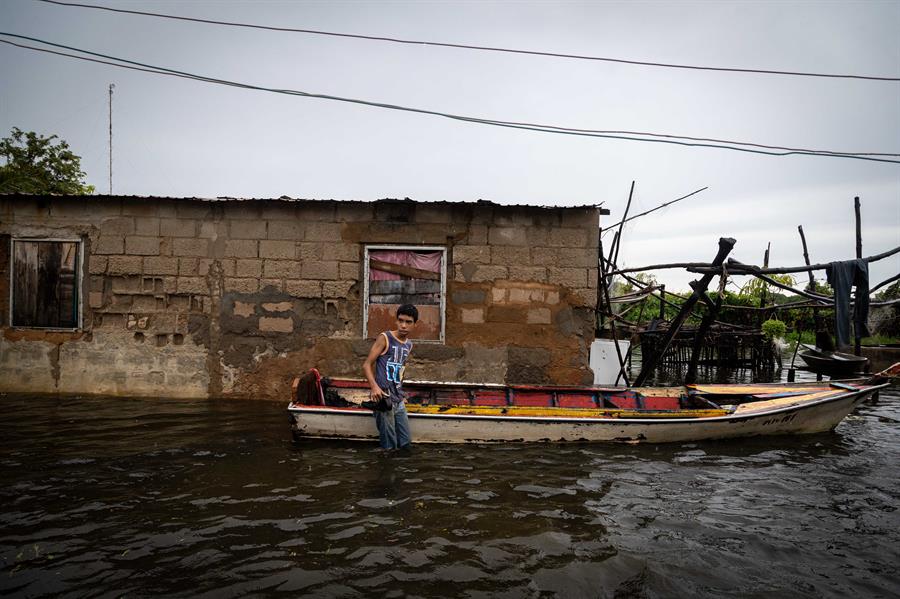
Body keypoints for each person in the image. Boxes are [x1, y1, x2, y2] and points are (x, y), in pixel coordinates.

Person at [362, 304, 417, 450]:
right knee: (390, 445)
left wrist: (401, 392)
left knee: (405, 442)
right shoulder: (385, 338)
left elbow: (400, 369)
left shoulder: (408, 345)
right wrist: (374, 387)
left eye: (408, 322)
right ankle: (387, 469)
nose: (403, 325)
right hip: (384, 399)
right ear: (396, 321)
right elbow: (366, 365)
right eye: (401, 320)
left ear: (414, 324)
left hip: (398, 399)